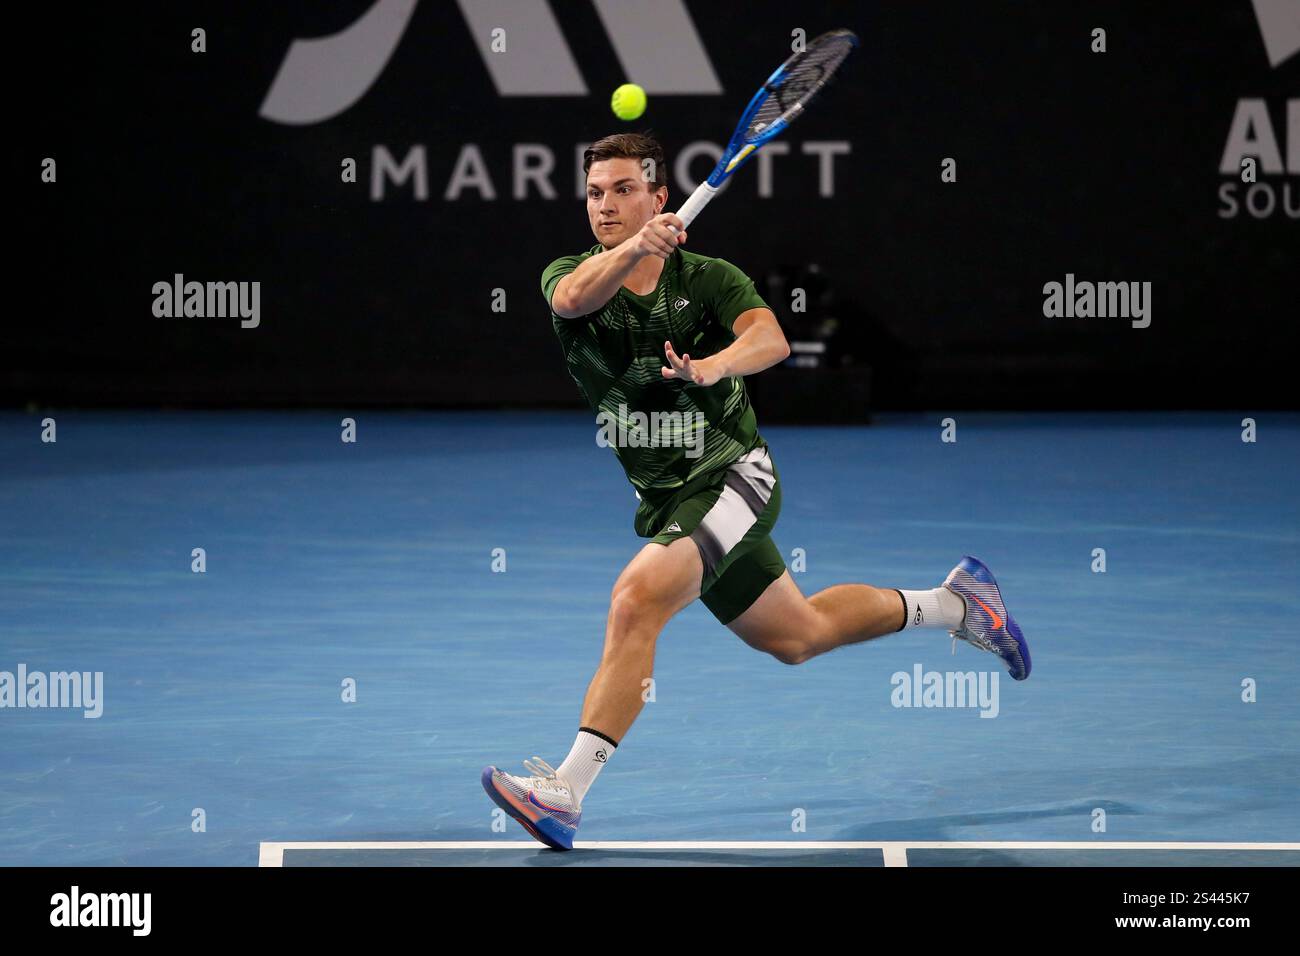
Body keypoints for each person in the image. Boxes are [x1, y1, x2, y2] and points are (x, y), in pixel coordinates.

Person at [481, 132, 1031, 851]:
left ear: (659, 197)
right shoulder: (570, 274)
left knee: (637, 598)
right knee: (799, 637)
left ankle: (564, 793)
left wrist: (712, 367)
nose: (606, 205)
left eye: (623, 190)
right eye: (595, 193)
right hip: (670, 499)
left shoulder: (708, 279)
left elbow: (769, 339)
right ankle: (958, 604)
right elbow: (576, 297)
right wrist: (635, 249)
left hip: (735, 474)